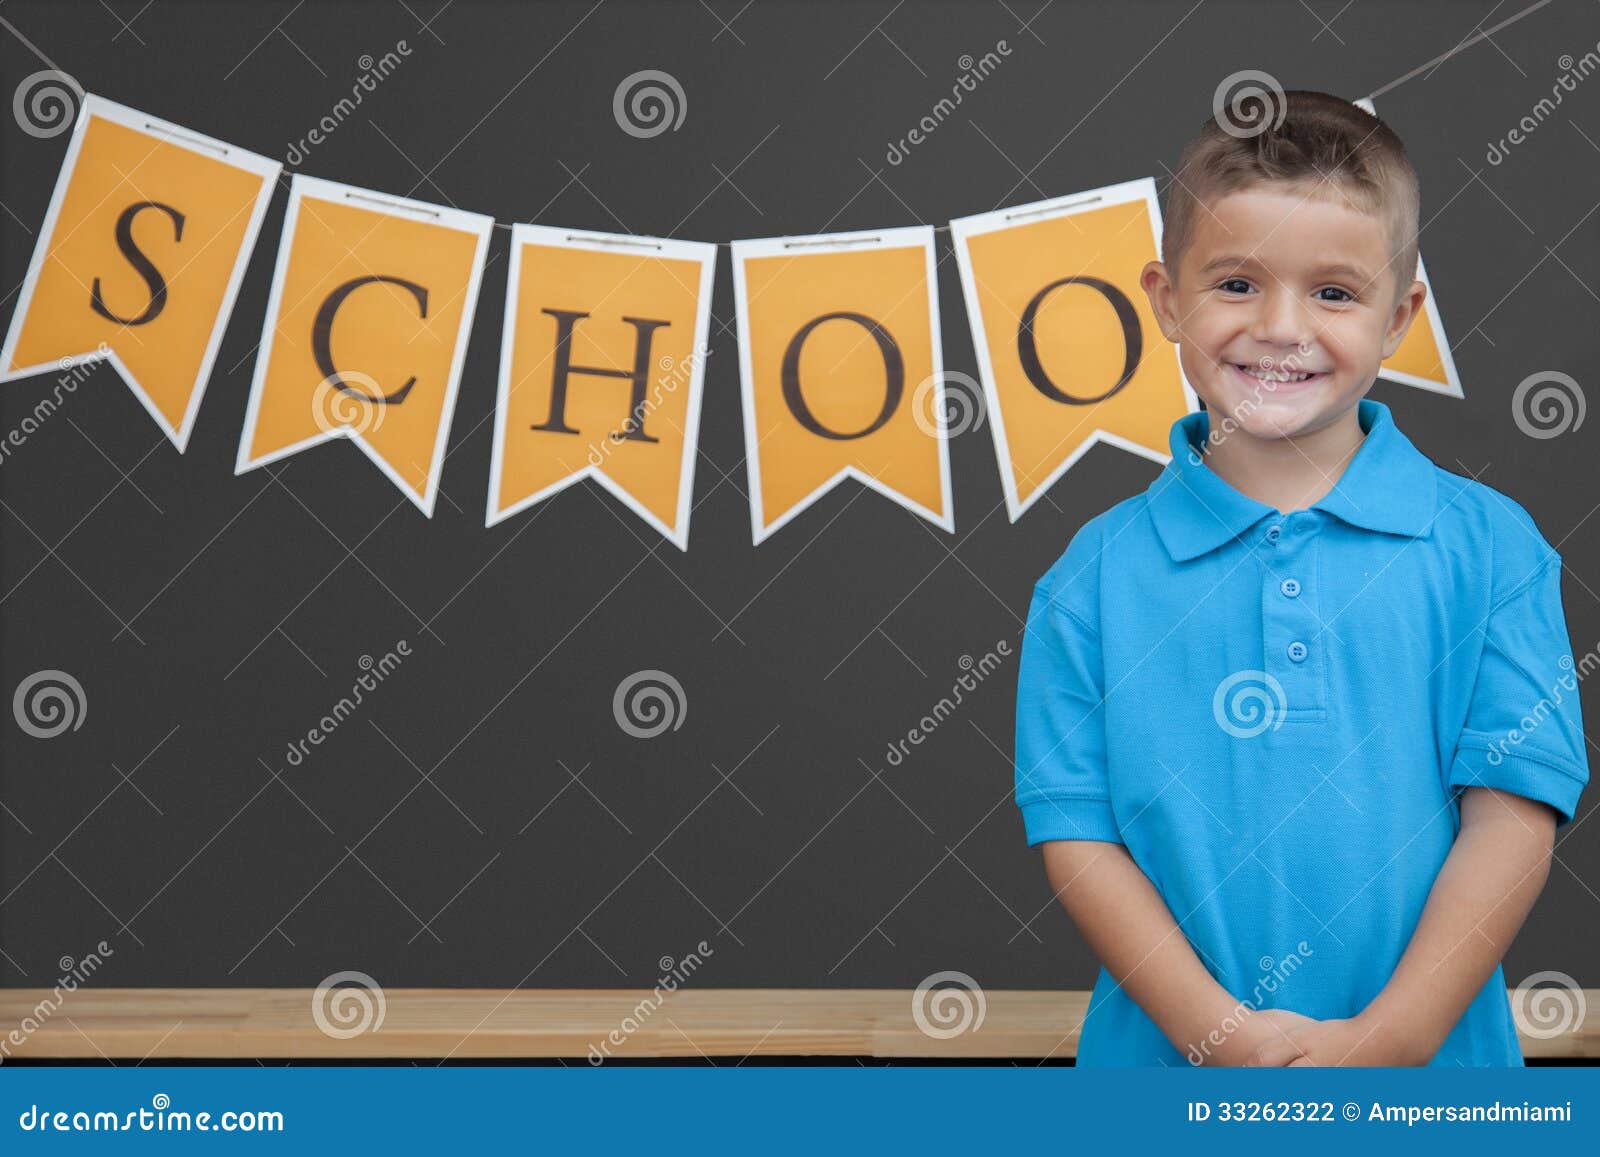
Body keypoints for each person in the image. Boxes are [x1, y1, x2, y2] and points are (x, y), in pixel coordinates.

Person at [1013, 90, 1589, 1066]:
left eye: (1332, 293)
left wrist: (1393, 1036)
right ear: (1165, 298)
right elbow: (1079, 837)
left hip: (1434, 1088)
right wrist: (1218, 1033)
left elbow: (1512, 814)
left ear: (1399, 316)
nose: (1281, 327)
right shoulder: (1093, 576)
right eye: (1236, 283)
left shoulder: (1489, 547)